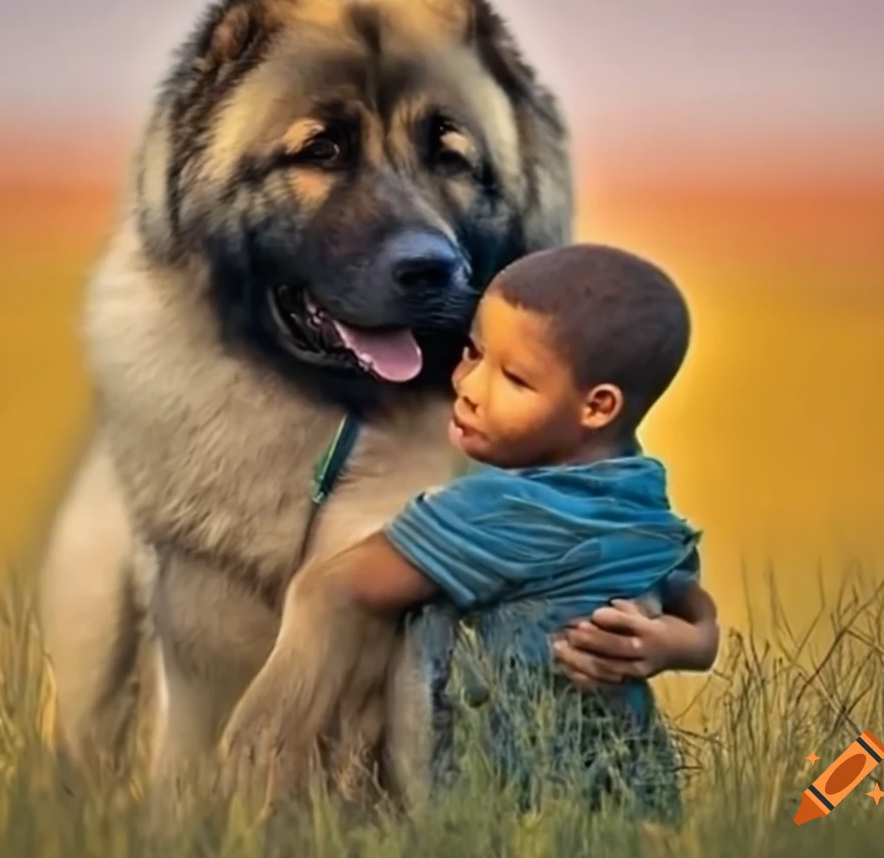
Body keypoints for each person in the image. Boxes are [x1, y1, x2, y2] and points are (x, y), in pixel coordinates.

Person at [230, 244, 719, 817]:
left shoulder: (493, 510)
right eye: (472, 351)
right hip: (628, 795)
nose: (469, 385)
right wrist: (678, 645)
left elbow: (352, 586)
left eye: (514, 378)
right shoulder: (639, 494)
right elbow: (694, 606)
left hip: (501, 796)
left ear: (597, 407)